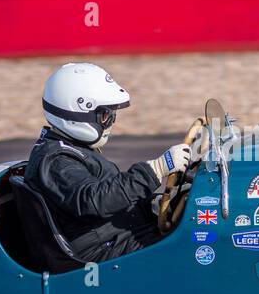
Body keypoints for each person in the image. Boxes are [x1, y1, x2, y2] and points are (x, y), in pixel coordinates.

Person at [21, 62, 193, 264]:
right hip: (101, 254)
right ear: (77, 112)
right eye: (106, 115)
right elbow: (95, 200)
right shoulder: (56, 160)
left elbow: (111, 195)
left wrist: (153, 204)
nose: (111, 122)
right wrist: (155, 169)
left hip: (116, 237)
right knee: (196, 247)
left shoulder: (72, 149)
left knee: (197, 230)